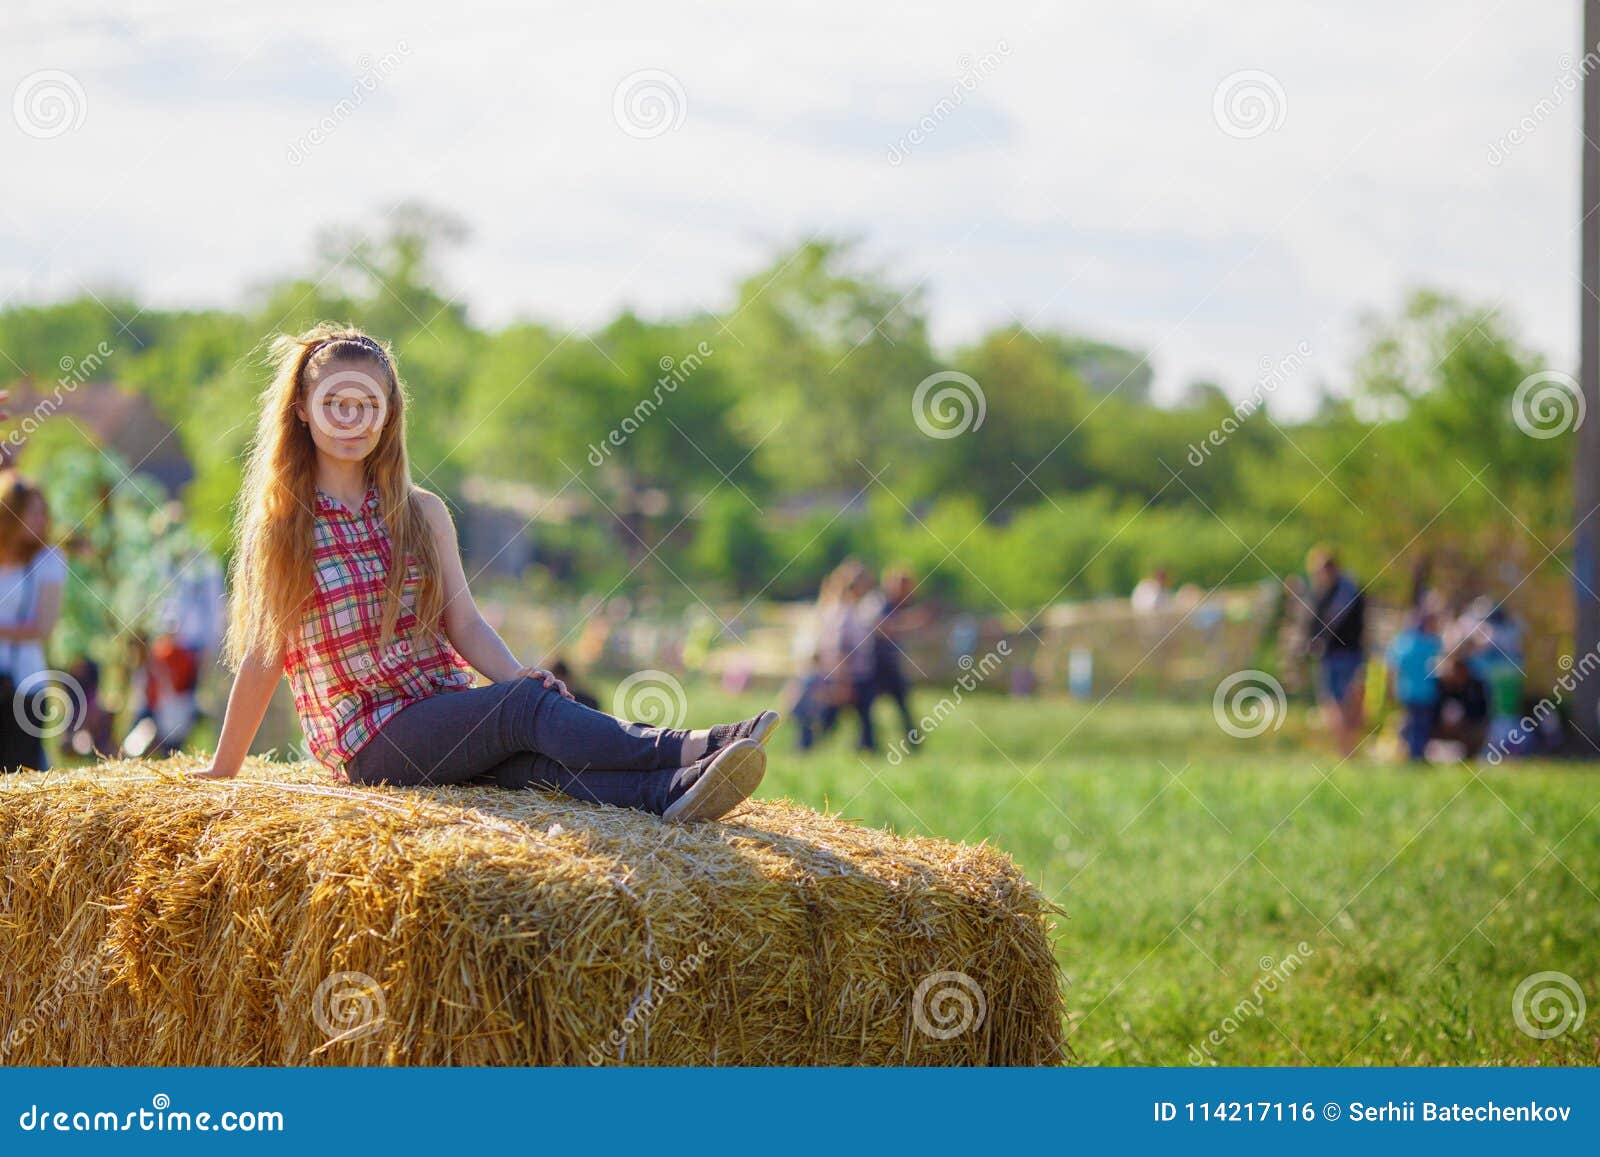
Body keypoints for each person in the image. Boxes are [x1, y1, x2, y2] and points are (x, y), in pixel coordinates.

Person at [193, 326, 779, 823]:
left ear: (389, 412)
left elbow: (463, 622)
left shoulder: (420, 513)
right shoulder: (286, 527)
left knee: (529, 767)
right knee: (521, 710)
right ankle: (691, 747)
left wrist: (515, 673)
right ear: (302, 409)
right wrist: (225, 770)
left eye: (368, 405)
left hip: (439, 703)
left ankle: (672, 793)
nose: (352, 418)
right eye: (335, 404)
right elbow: (264, 654)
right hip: (370, 738)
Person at [0, 473, 67, 772]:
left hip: (23, 685)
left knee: (18, 778)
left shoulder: (48, 559)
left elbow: (42, 628)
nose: (42, 519)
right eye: (33, 511)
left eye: (44, 511)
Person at [1304, 546, 1366, 758]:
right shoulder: (1352, 590)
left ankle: (1346, 752)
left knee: (1335, 705)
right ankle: (1349, 752)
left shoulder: (1336, 593)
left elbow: (1316, 626)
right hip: (1350, 655)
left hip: (1338, 657)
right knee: (1346, 705)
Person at [1385, 610, 1442, 761]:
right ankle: (1416, 756)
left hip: (1406, 691)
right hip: (1425, 692)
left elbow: (1392, 668)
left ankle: (1410, 752)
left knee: (1411, 722)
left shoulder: (1402, 642)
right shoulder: (1431, 643)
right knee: (1421, 725)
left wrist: (1390, 689)